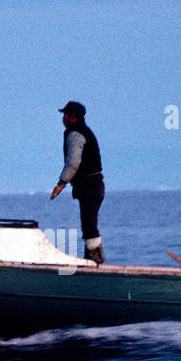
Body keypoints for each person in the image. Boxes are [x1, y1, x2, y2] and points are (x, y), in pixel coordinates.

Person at [49, 100, 105, 264]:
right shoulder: (84, 132)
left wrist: (61, 183)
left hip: (90, 187)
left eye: (66, 115)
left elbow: (73, 163)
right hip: (94, 186)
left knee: (89, 225)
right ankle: (93, 259)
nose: (64, 118)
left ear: (74, 117)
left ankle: (95, 259)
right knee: (88, 223)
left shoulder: (76, 134)